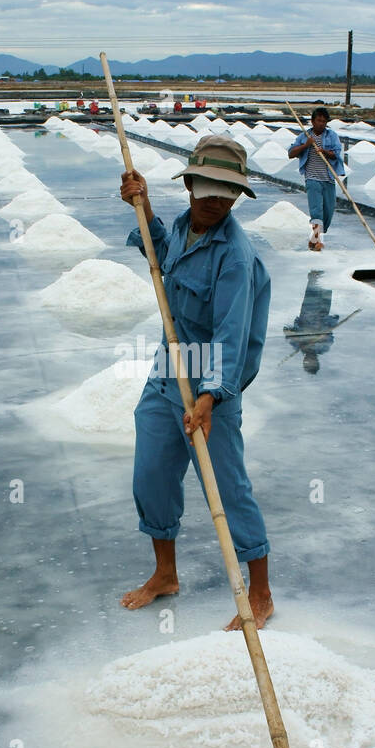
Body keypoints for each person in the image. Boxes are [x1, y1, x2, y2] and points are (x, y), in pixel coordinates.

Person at [119, 135, 273, 629]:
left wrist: (208, 397)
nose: (215, 201)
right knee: (152, 476)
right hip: (168, 370)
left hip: (214, 385)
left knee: (227, 489)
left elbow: (231, 335)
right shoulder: (186, 226)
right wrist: (142, 208)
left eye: (226, 194)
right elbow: (161, 257)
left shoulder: (236, 256)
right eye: (207, 189)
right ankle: (165, 574)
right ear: (188, 185)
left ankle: (262, 594)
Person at [287, 107, 345, 251]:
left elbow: (336, 154)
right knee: (316, 211)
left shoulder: (331, 135)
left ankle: (313, 240)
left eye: (324, 121)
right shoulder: (304, 136)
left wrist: (324, 152)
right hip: (312, 178)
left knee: (328, 212)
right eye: (318, 121)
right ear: (312, 121)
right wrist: (305, 145)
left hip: (329, 178)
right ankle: (317, 241)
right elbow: (291, 153)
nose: (321, 124)